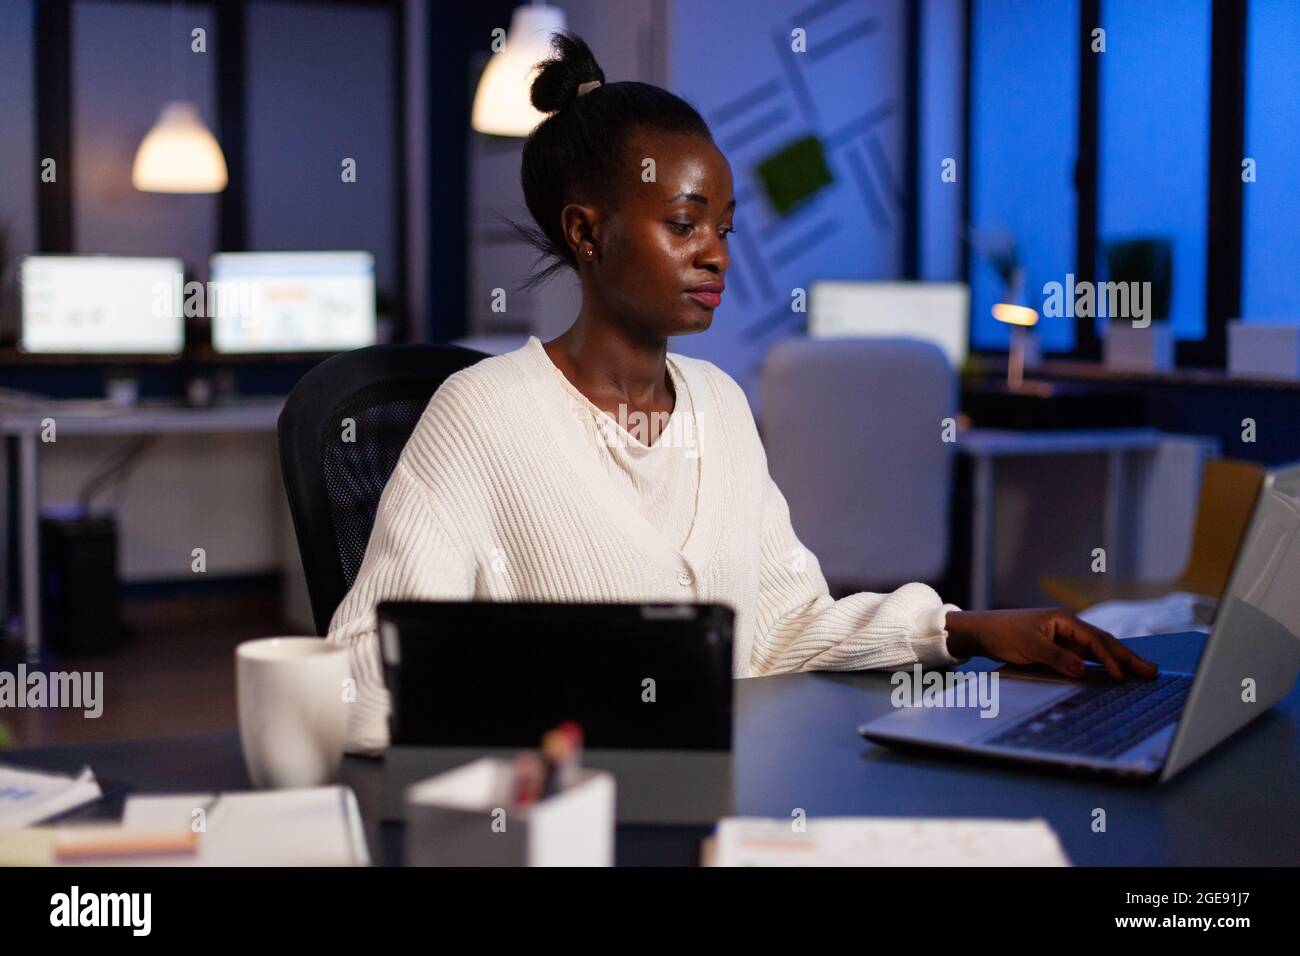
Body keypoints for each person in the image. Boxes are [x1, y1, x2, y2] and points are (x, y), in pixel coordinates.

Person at [326, 31, 1155, 755]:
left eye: (724, 227)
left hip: (738, 795)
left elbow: (784, 625)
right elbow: (357, 676)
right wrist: (573, 687)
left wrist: (963, 630)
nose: (718, 253)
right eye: (684, 225)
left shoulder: (719, 405)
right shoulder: (482, 415)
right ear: (587, 233)